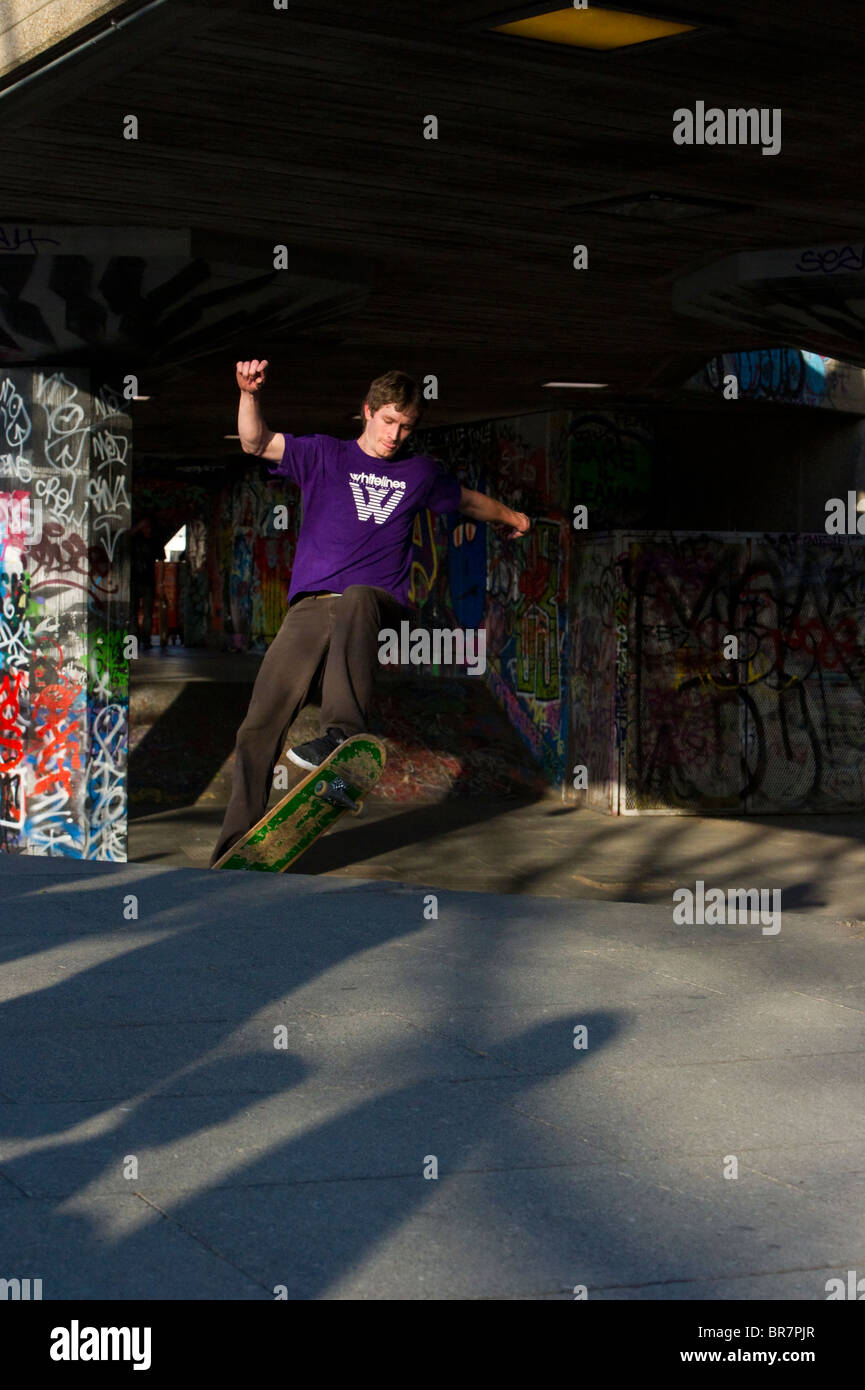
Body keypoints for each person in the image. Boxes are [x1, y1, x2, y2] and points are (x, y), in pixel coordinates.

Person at [209, 360, 531, 868]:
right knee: (258, 724)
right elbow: (255, 442)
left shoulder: (419, 474)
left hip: (379, 605)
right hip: (311, 609)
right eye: (388, 422)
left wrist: (512, 517)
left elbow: (468, 502)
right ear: (366, 412)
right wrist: (248, 394)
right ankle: (236, 846)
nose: (395, 436)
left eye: (405, 427)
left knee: (358, 596)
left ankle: (343, 733)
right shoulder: (323, 455)